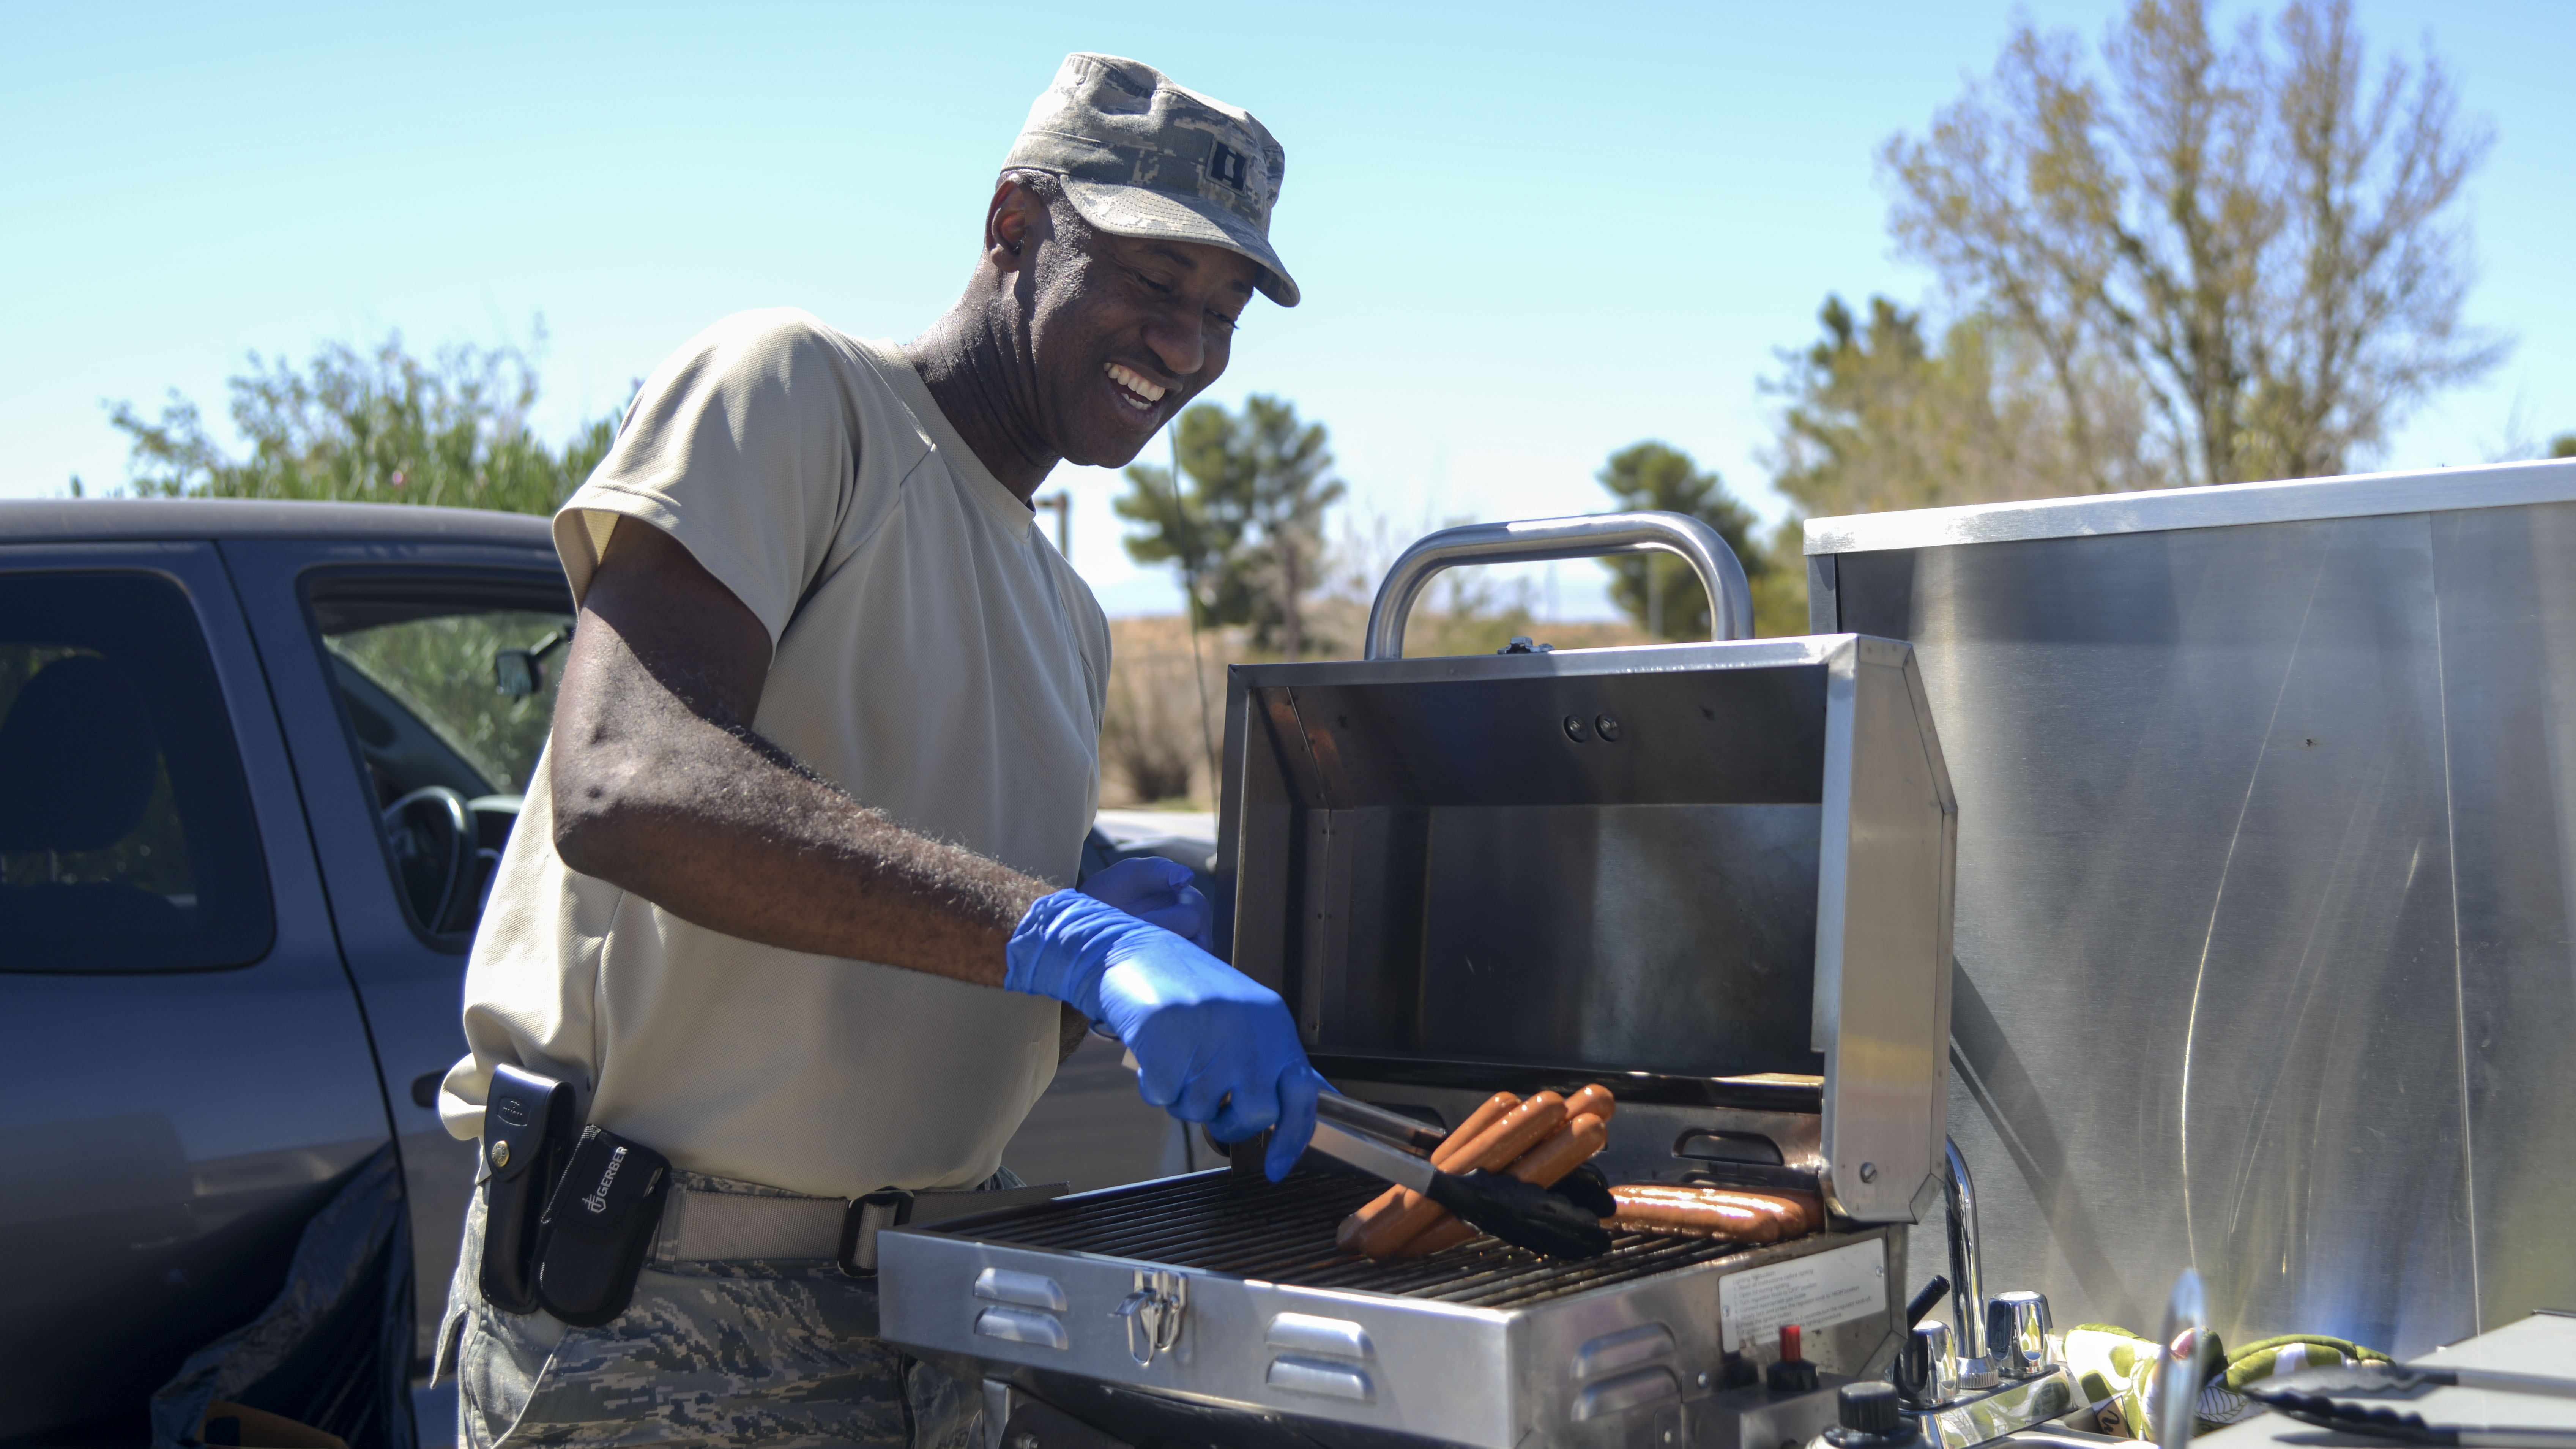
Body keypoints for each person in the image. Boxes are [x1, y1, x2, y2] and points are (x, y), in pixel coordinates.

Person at [430, 53, 1324, 1447]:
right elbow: (630, 782)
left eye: (1222, 312)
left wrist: (1109, 903)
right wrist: (1071, 933)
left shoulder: (1067, 610)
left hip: (932, 1314)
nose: (1192, 348)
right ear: (1017, 225)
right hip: (664, 1310)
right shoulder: (795, 392)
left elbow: (916, 870)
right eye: (1156, 283)